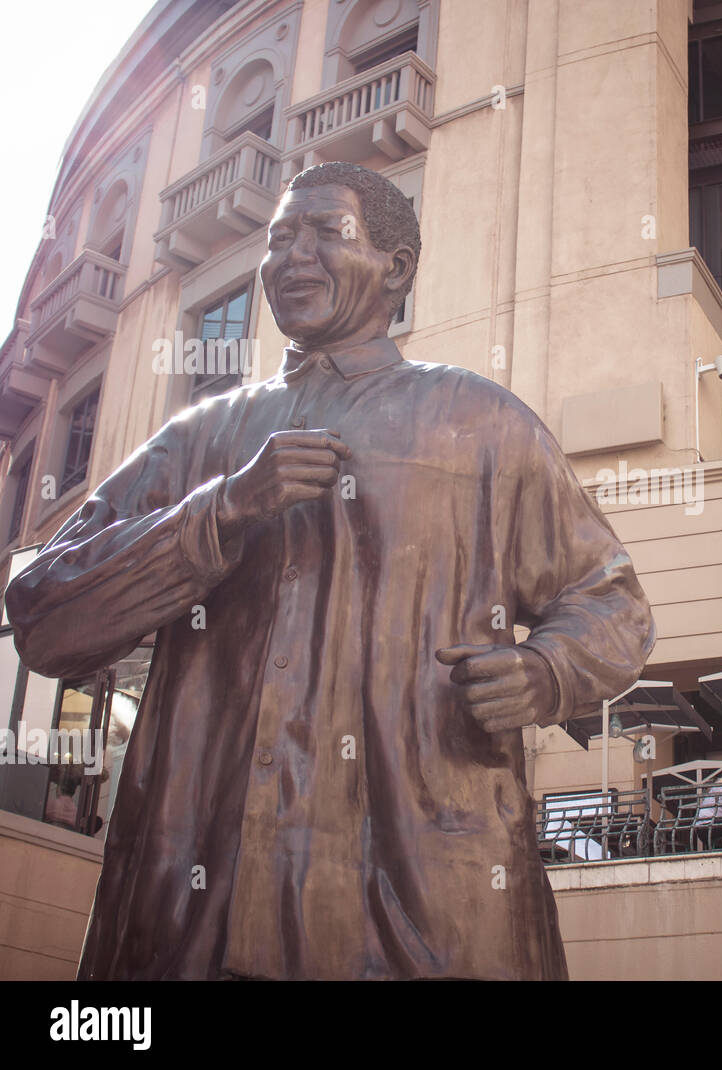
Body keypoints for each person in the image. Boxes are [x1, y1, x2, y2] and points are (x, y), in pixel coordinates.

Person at [5, 162, 655, 981]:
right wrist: (222, 510)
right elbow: (42, 615)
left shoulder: (480, 422)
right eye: (279, 240)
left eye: (326, 233)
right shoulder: (203, 438)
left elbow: (612, 604)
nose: (293, 257)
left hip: (417, 913)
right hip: (185, 918)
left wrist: (545, 670)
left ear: (399, 268)